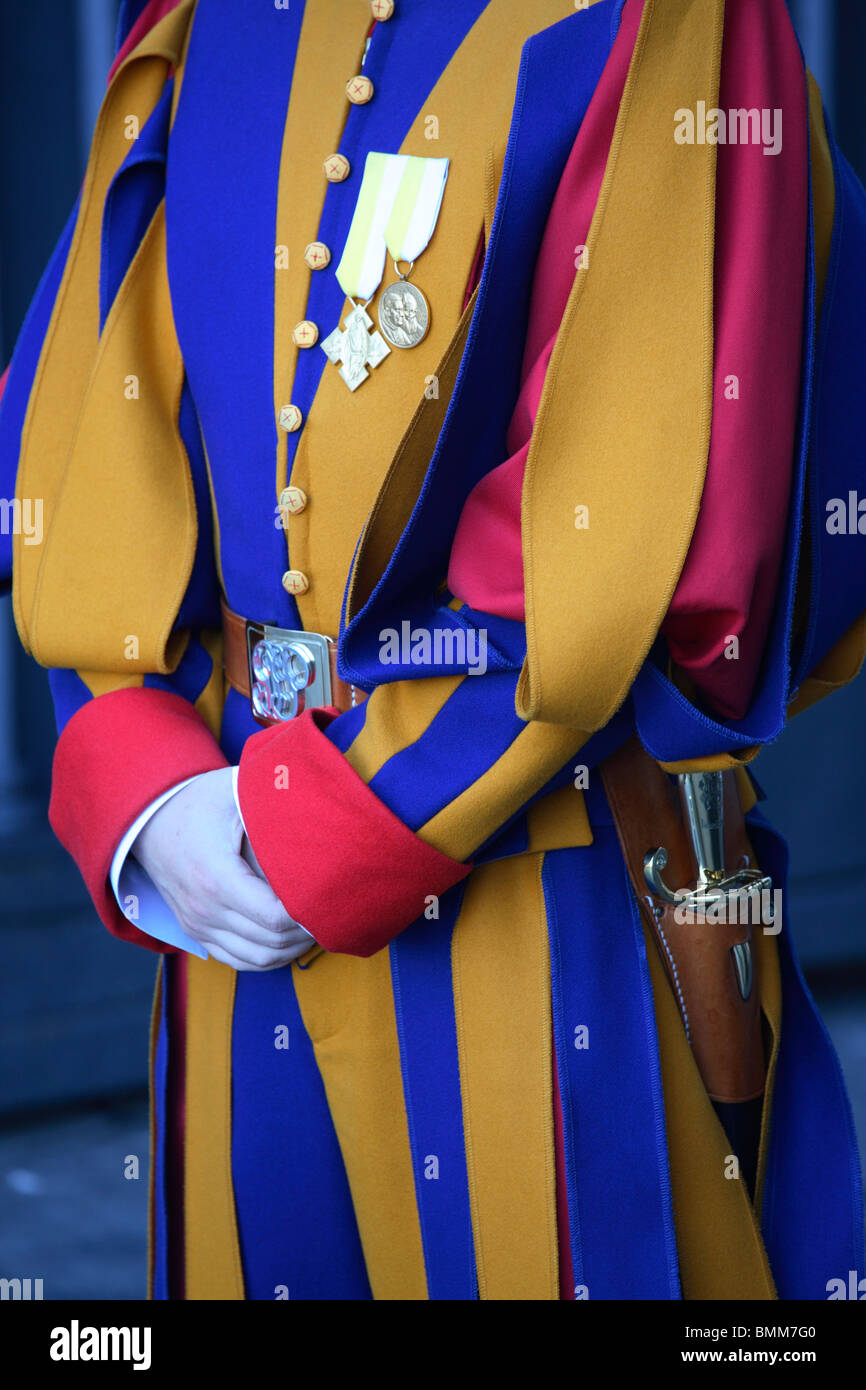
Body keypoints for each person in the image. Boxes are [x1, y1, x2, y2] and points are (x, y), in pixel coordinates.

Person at [2, 0, 866, 1301]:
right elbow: (91, 416)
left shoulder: (664, 17)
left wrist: (313, 827)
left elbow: (636, 502)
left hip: (550, 881)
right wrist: (143, 775)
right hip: (221, 871)